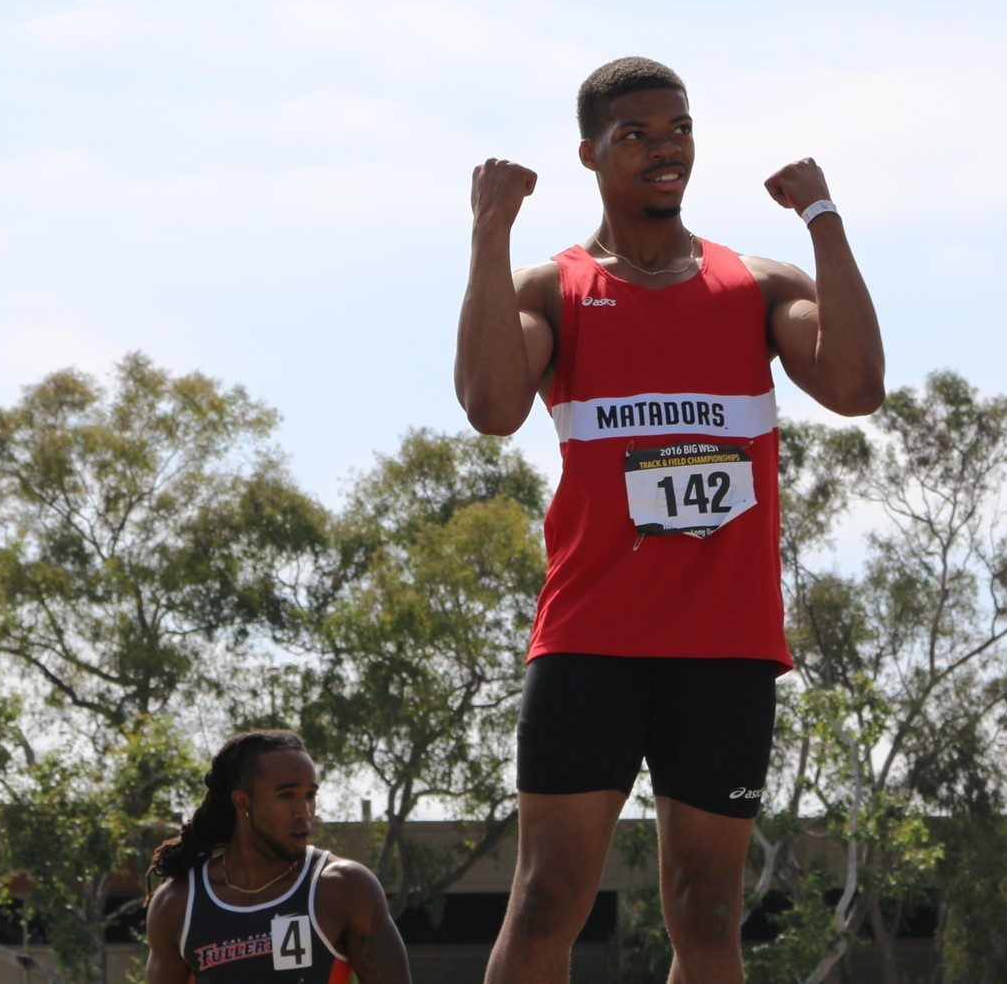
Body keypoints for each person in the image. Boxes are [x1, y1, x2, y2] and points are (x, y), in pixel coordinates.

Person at [455, 56, 885, 983]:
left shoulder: (755, 285)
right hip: (590, 638)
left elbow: (855, 386)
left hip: (723, 647)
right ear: (591, 152)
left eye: (679, 129)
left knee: (710, 909)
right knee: (543, 899)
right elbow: (492, 403)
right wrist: (491, 231)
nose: (665, 150)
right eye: (637, 134)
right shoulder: (553, 290)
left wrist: (824, 219)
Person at [144, 730, 411, 984]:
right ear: (242, 802)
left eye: (310, 795)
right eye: (287, 796)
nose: (304, 811)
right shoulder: (177, 903)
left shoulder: (344, 888)